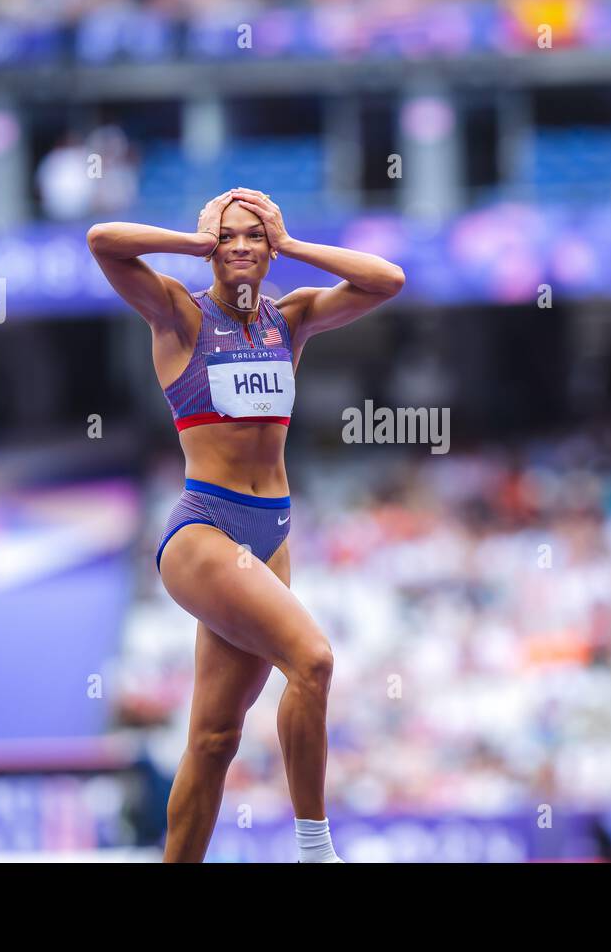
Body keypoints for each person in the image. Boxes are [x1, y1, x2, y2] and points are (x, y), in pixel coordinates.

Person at [87, 187, 404, 862]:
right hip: (204, 531)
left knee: (214, 739)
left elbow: (387, 280)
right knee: (313, 661)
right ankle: (315, 850)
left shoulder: (290, 320)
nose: (239, 247)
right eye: (227, 236)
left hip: (272, 534)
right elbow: (103, 241)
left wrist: (291, 243)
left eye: (252, 237)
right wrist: (190, 241)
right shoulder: (179, 315)